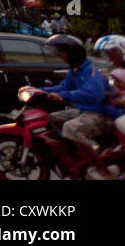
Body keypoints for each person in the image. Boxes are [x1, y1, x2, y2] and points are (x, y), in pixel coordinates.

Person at [36, 34, 121, 164]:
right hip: (85, 111)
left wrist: (63, 95)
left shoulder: (90, 71)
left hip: (101, 113)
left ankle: (99, 164)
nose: (60, 55)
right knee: (52, 118)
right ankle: (75, 152)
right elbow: (63, 87)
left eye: (62, 51)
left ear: (73, 53)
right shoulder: (74, 71)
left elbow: (93, 94)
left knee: (70, 128)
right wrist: (38, 90)